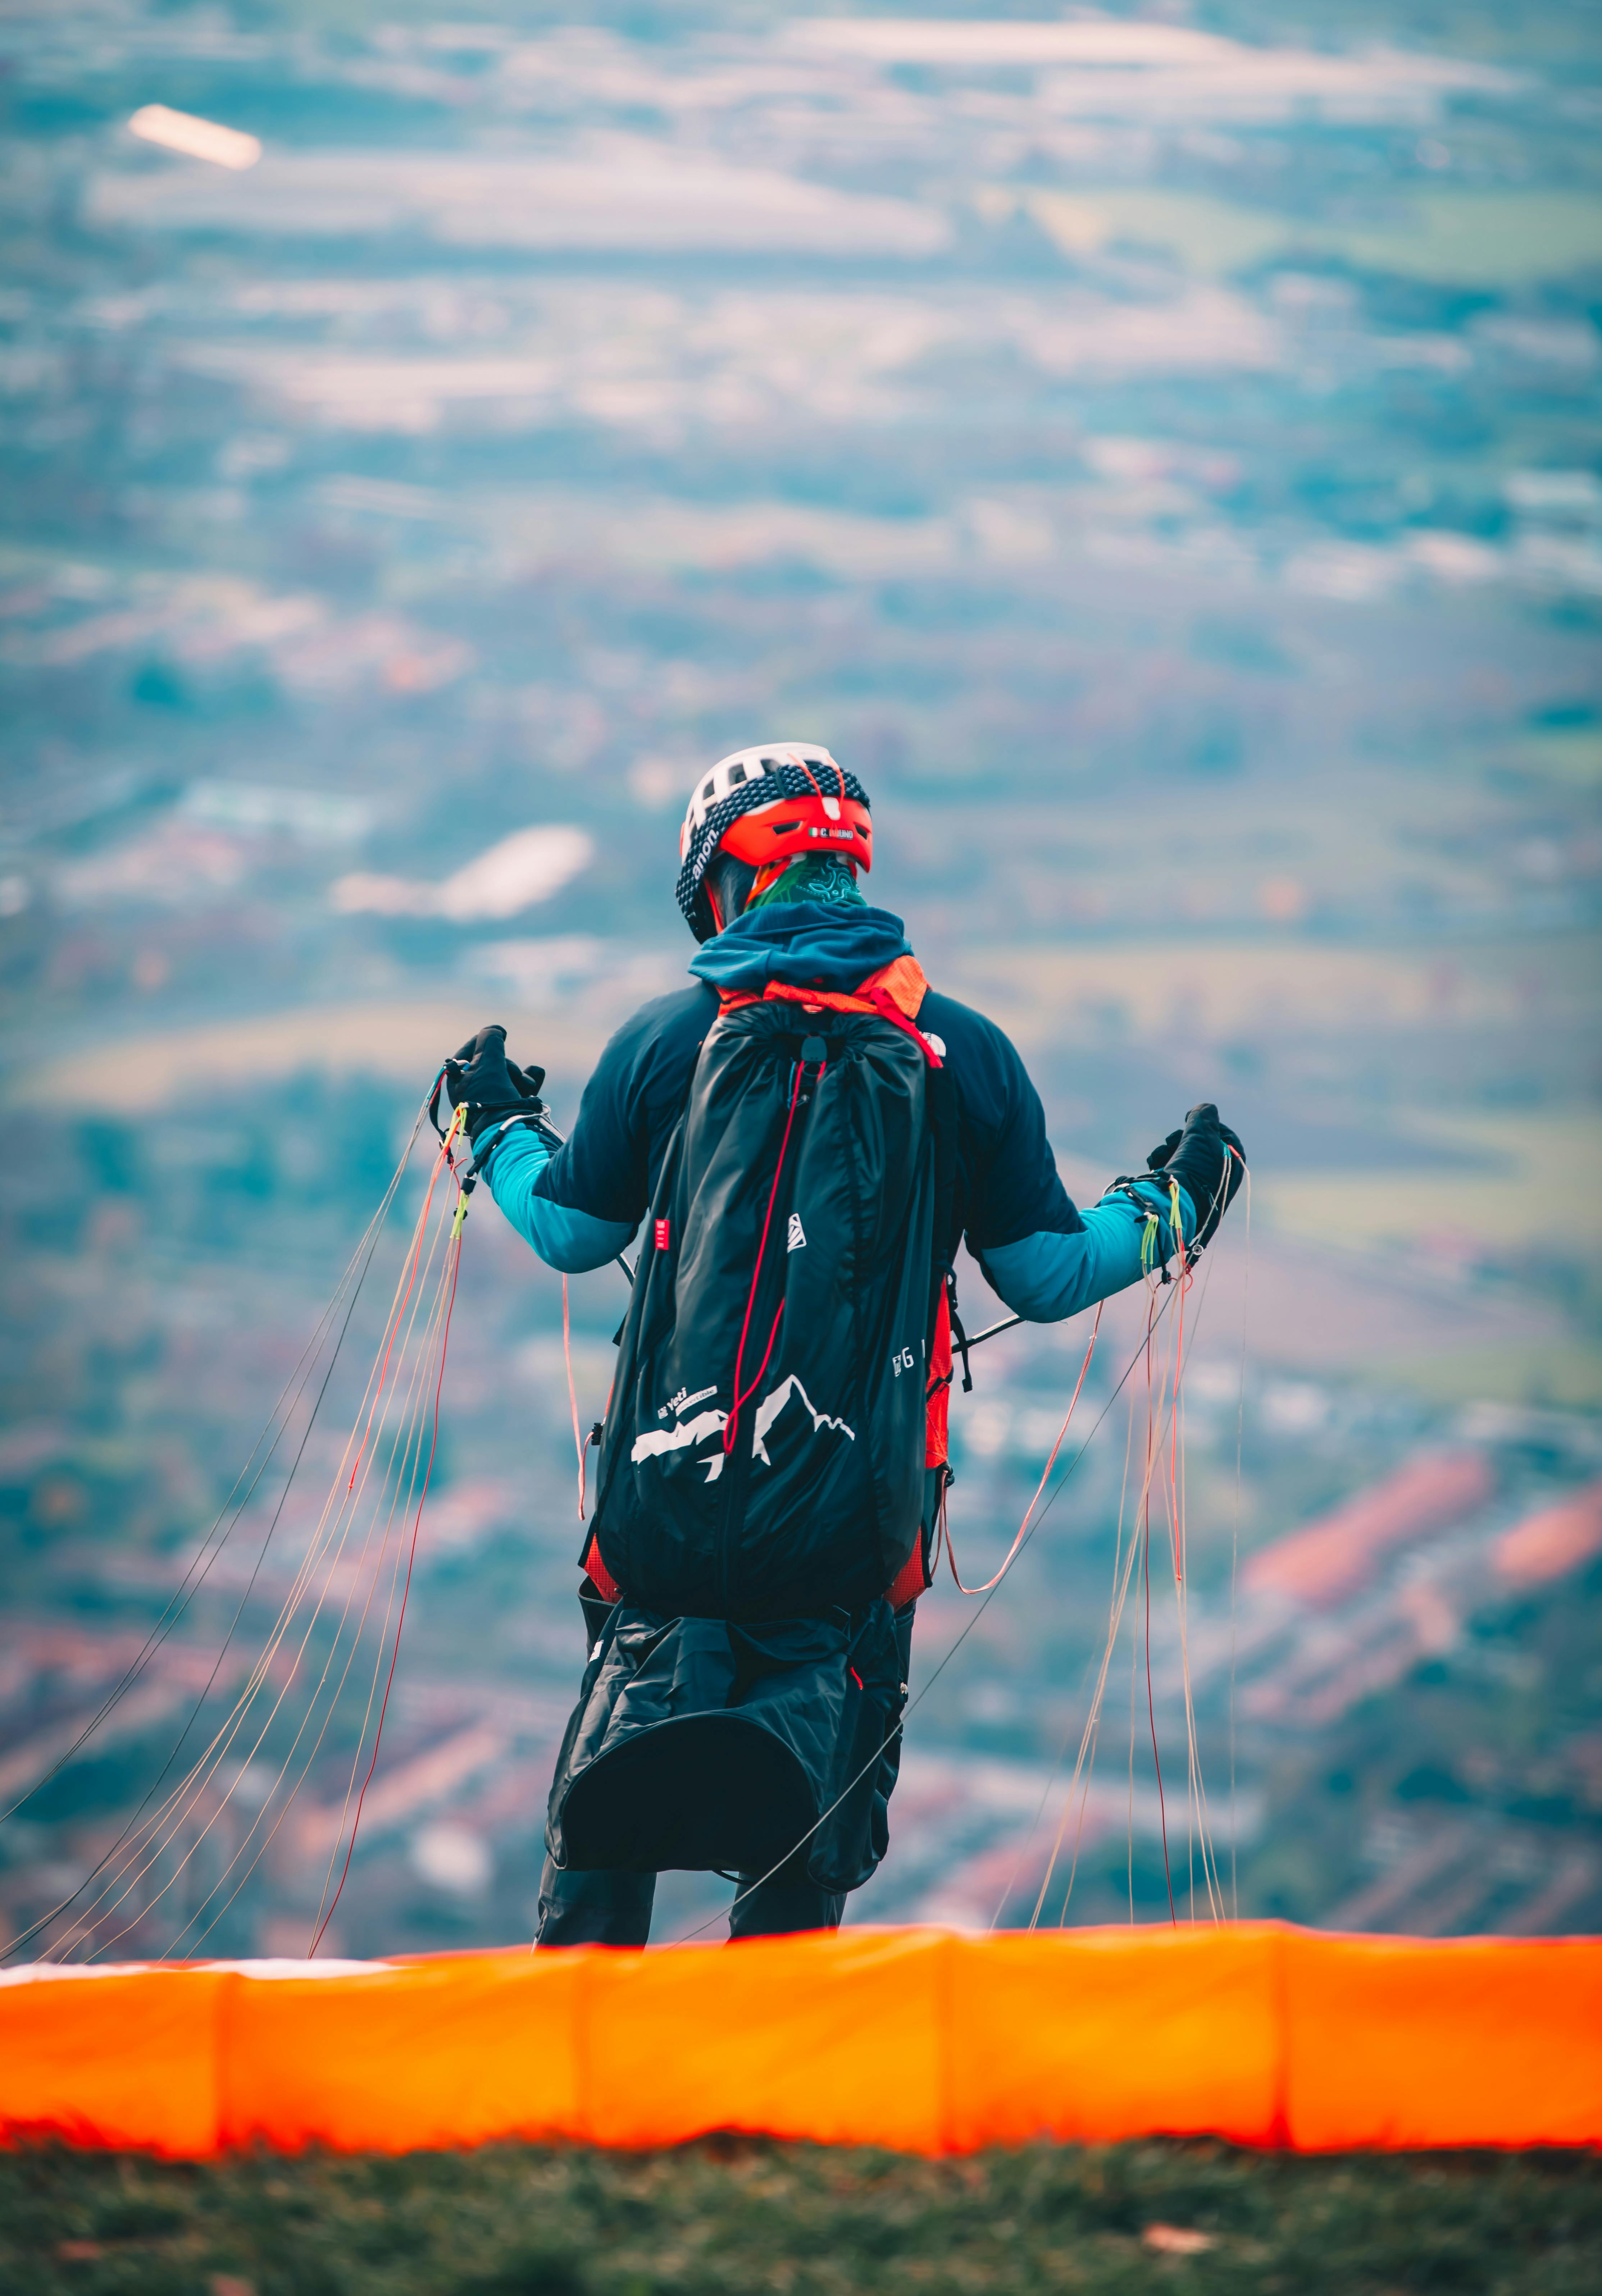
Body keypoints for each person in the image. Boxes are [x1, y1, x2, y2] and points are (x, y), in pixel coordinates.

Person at [447, 744, 1243, 1945]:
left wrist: (495, 1121)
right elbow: (1049, 1274)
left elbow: (567, 1230)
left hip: (661, 1522)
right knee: (798, 1844)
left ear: (720, 883)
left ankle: (579, 2077)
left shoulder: (669, 1042)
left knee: (610, 1824)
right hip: (854, 1535)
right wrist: (1174, 1204)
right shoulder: (959, 1052)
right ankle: (781, 2100)